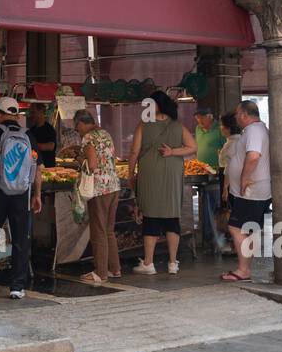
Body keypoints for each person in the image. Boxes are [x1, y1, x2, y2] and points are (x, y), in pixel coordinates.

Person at [128, 89, 194, 275]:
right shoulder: (178, 126)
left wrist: (130, 173)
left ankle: (149, 263)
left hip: (150, 174)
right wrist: (173, 152)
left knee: (151, 217)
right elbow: (192, 147)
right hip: (172, 174)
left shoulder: (144, 125)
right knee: (172, 218)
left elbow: (134, 152)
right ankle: (173, 263)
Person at [0, 96, 42, 299]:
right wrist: (37, 194)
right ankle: (17, 286)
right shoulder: (28, 135)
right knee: (21, 238)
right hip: (22, 193)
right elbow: (37, 167)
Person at [222, 100, 270, 283]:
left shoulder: (254, 131)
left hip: (251, 189)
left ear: (243, 114)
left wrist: (244, 178)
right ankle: (245, 267)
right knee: (248, 228)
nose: (235, 117)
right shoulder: (257, 130)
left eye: (236, 114)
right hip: (253, 188)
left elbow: (253, 156)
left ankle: (243, 269)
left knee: (236, 227)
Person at [72, 109, 120, 284]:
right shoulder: (105, 134)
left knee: (98, 231)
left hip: (99, 189)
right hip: (114, 186)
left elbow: (91, 165)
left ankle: (101, 273)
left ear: (81, 123)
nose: (78, 132)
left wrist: (80, 160)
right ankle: (114, 269)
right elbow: (111, 158)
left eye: (77, 129)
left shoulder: (88, 138)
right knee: (108, 230)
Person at [192, 107, 225, 252]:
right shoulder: (198, 129)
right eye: (197, 119)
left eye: (202, 118)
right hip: (201, 171)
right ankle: (208, 237)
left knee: (214, 206)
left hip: (216, 174)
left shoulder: (220, 129)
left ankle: (216, 239)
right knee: (205, 206)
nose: (199, 122)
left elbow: (226, 148)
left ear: (210, 116)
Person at [215, 113, 241, 255]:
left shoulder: (232, 144)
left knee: (232, 212)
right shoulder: (236, 141)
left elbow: (229, 169)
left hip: (231, 181)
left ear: (227, 128)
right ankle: (236, 245)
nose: (220, 128)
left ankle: (235, 246)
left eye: (222, 125)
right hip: (235, 180)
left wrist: (225, 188)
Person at [27, 103, 58, 168]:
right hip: (34, 166)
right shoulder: (32, 130)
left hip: (48, 167)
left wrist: (32, 145)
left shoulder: (49, 129)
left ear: (41, 112)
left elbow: (50, 146)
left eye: (33, 112)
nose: (31, 115)